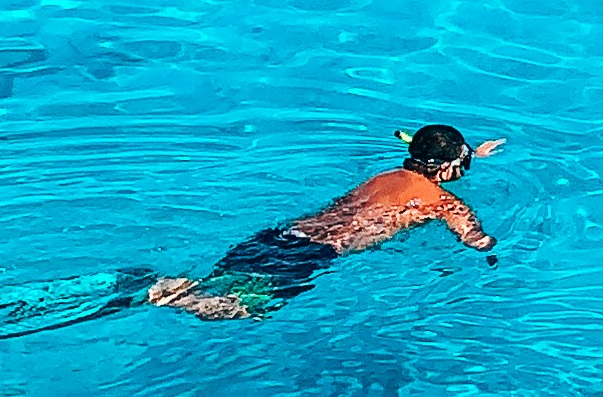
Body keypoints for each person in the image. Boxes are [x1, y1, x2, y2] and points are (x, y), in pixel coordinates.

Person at [145, 123, 504, 322]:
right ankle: (170, 298)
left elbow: (437, 160)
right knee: (251, 310)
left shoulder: (386, 177)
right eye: (465, 163)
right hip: (314, 253)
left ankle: (177, 287)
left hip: (284, 235)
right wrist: (494, 247)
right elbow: (474, 239)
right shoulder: (441, 202)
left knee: (222, 279)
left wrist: (475, 154)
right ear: (445, 169)